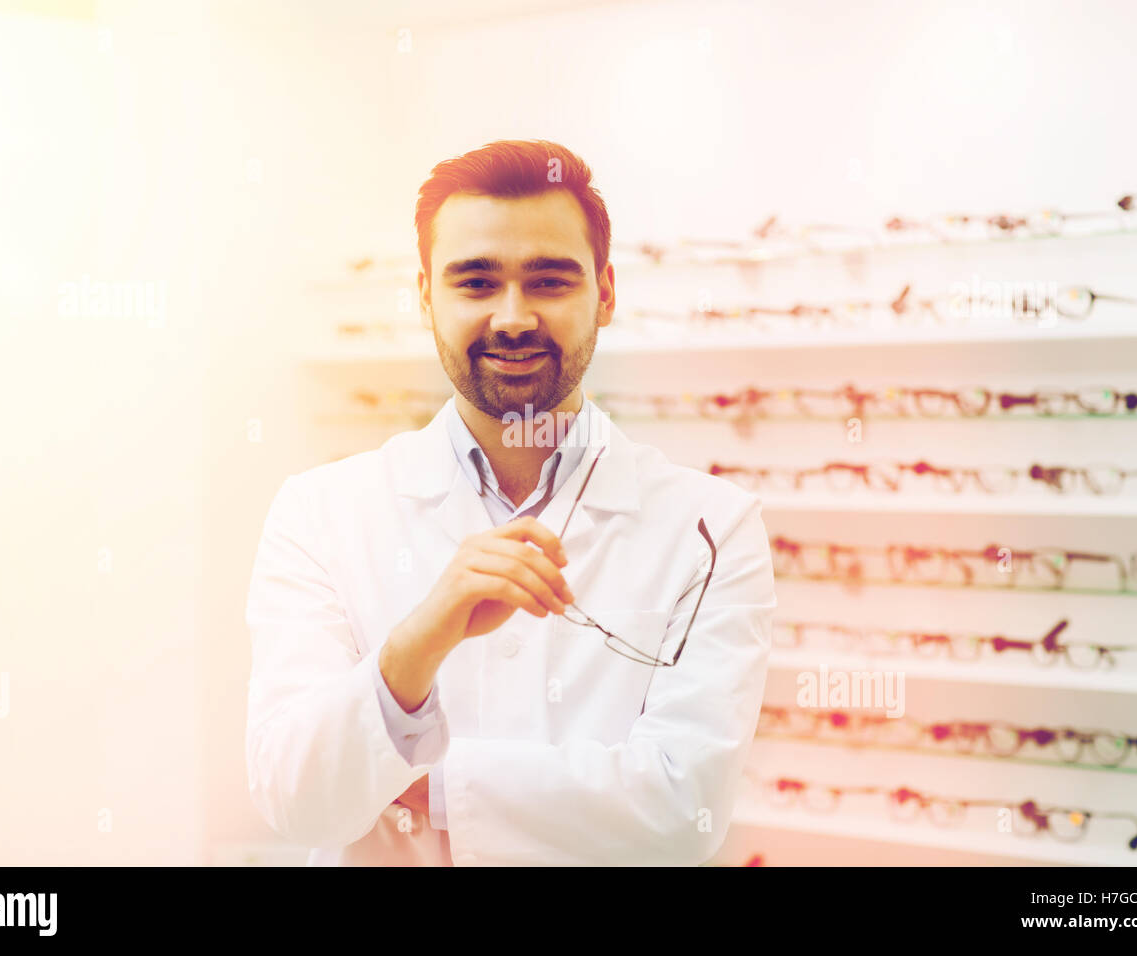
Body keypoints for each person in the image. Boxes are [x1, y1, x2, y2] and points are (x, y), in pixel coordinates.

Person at [244, 139, 777, 865]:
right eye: (475, 282)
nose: (513, 318)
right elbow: (295, 800)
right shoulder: (318, 512)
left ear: (607, 293)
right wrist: (418, 641)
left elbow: (686, 809)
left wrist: (427, 785)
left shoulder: (713, 529)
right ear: (426, 295)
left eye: (550, 281)